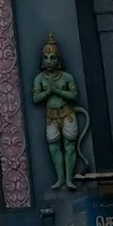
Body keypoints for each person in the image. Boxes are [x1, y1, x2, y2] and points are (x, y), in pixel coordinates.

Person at [32, 36, 81, 189]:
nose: (48, 61)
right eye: (46, 58)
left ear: (58, 61)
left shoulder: (66, 77)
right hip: (51, 116)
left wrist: (58, 91)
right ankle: (60, 179)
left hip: (67, 114)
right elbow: (35, 98)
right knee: (53, 147)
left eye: (52, 57)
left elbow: (74, 96)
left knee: (69, 147)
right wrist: (47, 92)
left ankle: (69, 179)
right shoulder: (39, 78)